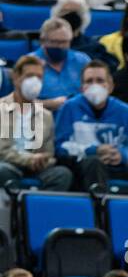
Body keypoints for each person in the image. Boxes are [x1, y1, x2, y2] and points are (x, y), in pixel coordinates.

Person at [54, 60, 128, 198]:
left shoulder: (125, 111)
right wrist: (93, 150)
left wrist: (122, 155)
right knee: (94, 162)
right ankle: (100, 215)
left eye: (100, 80)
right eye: (89, 81)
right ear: (81, 88)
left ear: (110, 86)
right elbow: (59, 147)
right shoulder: (69, 108)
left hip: (117, 167)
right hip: (83, 167)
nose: (94, 85)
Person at [0, 56, 73, 193]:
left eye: (39, 77)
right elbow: (2, 151)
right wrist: (28, 159)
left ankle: (41, 210)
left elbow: (49, 152)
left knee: (62, 174)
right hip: (8, 165)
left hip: (35, 169)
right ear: (16, 77)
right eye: (29, 76)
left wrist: (42, 160)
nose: (34, 81)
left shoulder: (46, 115)